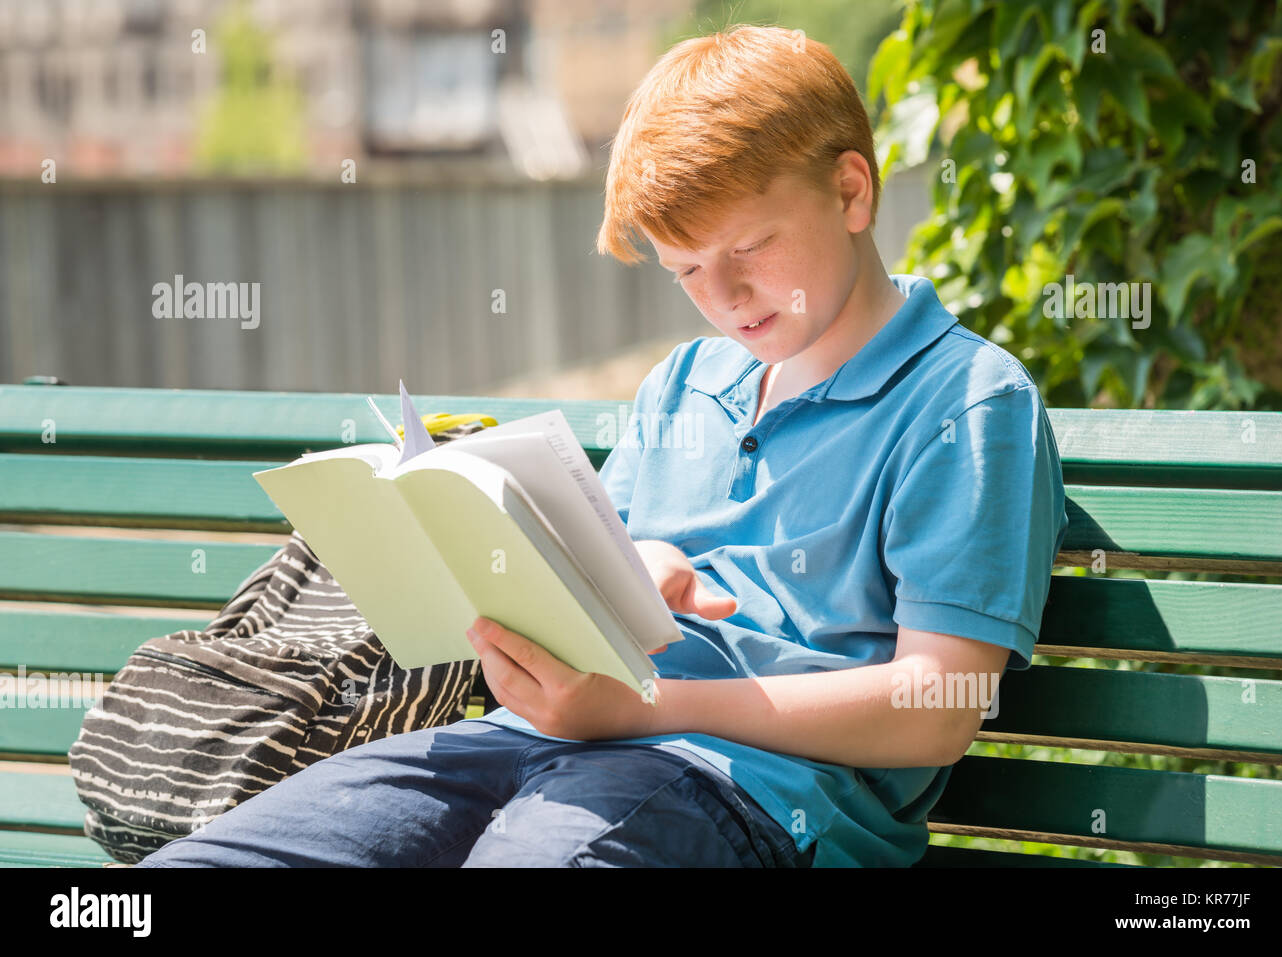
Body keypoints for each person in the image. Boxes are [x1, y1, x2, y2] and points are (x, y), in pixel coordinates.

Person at [135, 23, 1067, 869]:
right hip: (534, 742)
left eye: (751, 246)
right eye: (687, 270)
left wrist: (646, 707)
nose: (726, 297)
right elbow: (595, 595)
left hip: (750, 792)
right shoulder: (685, 381)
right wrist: (625, 580)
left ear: (851, 189)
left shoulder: (966, 402)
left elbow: (940, 708)